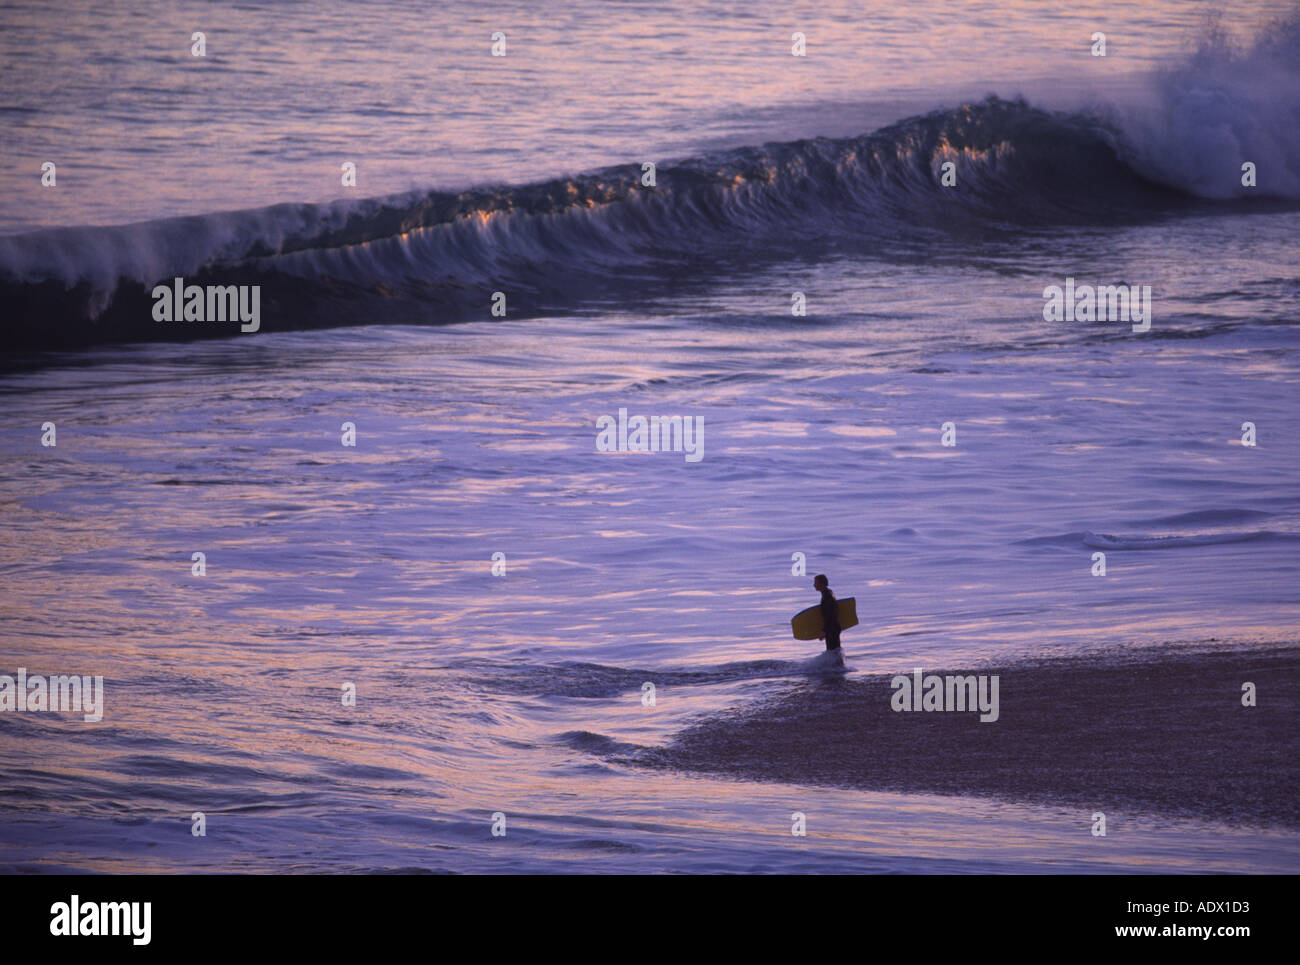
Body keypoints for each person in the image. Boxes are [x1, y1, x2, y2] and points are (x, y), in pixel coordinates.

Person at [813, 574, 841, 651]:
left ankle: (837, 663)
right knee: (835, 650)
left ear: (821, 584)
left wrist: (824, 630)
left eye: (816, 583)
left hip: (832, 628)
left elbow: (829, 615)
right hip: (834, 627)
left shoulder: (827, 596)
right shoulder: (829, 592)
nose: (814, 585)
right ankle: (839, 662)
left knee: (832, 650)